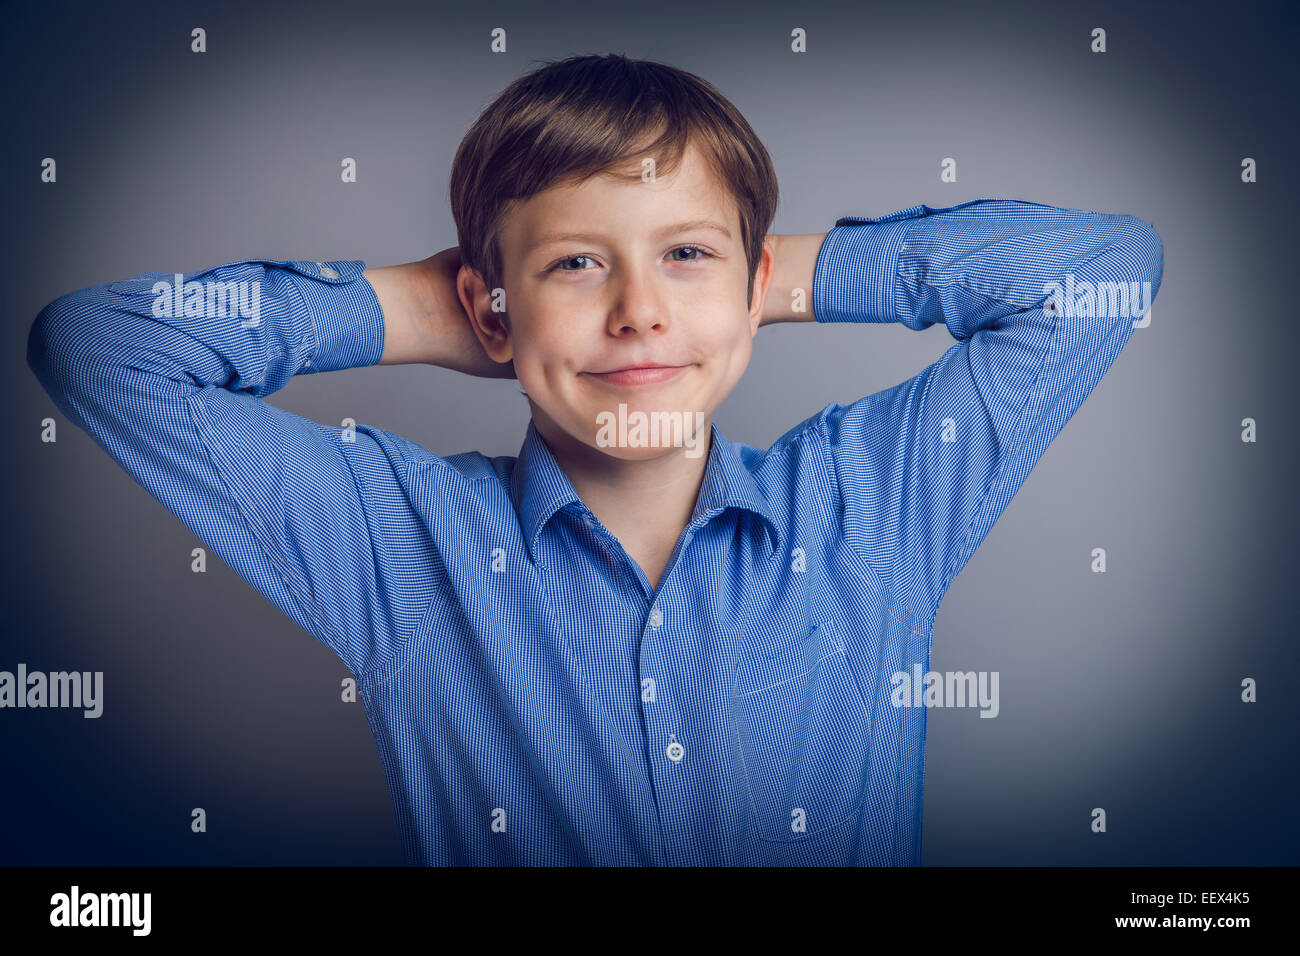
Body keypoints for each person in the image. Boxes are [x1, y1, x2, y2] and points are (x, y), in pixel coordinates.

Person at [27, 53, 1163, 865]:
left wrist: (770, 282)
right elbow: (98, 348)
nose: (638, 314)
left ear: (752, 279)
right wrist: (441, 312)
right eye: (576, 265)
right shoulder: (398, 541)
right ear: (491, 309)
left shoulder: (871, 507)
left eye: (683, 254)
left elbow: (1105, 267)